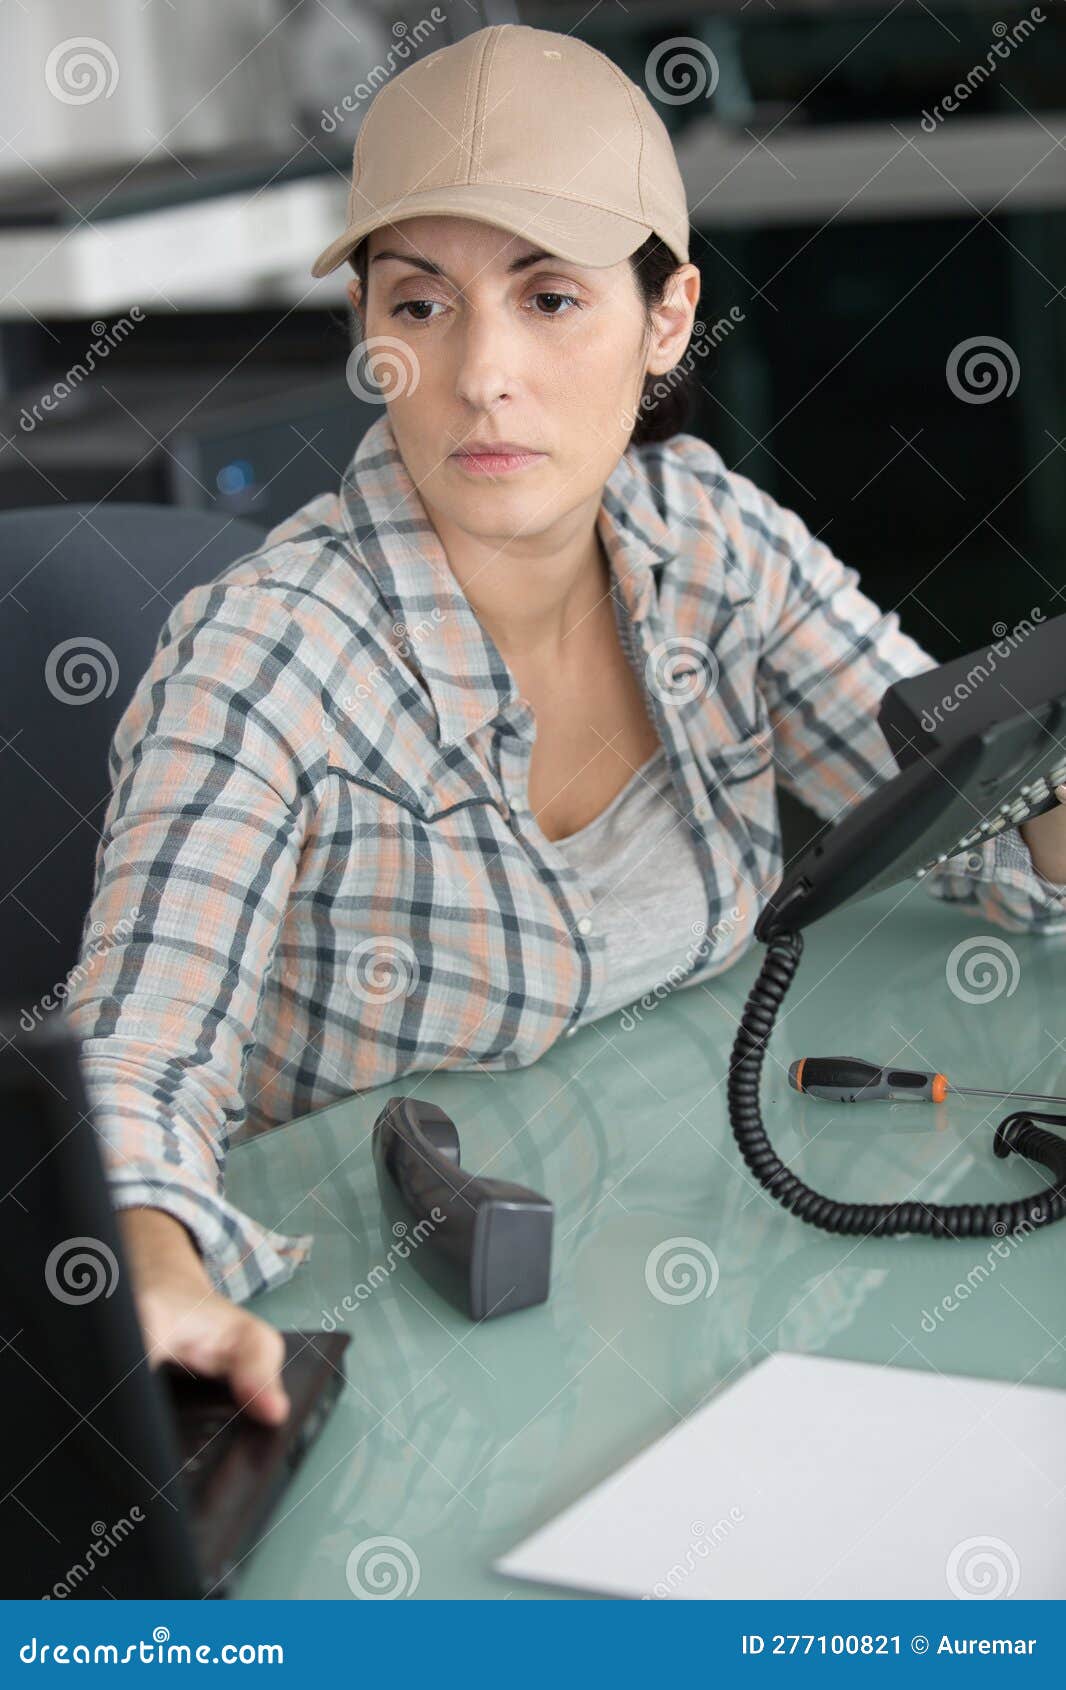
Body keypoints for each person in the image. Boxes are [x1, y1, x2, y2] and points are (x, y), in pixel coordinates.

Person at [62, 24, 1066, 1428]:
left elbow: (969, 812)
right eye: (421, 305)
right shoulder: (265, 653)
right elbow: (130, 1063)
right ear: (367, 330)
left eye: (548, 298)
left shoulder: (709, 538)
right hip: (388, 1343)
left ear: (667, 319)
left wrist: (1040, 779)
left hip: (701, 1272)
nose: (482, 372)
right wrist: (152, 1276)